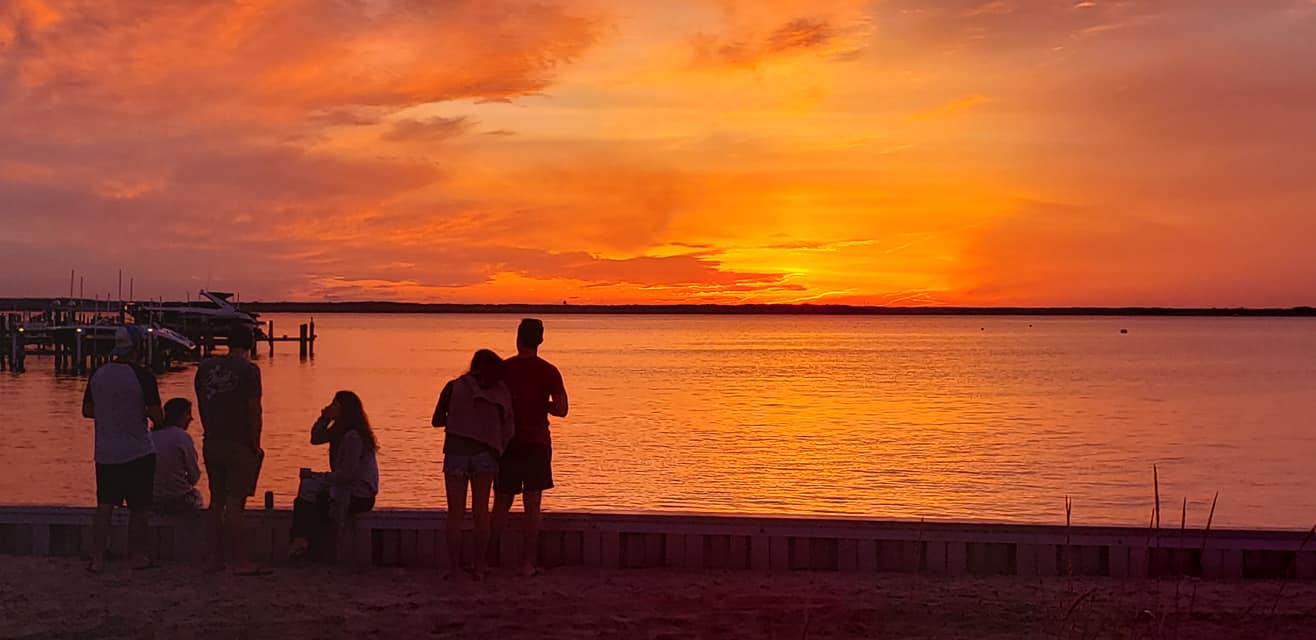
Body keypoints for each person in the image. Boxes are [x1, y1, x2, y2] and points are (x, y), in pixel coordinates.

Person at [488, 319, 568, 577]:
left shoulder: (503, 369)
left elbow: (490, 404)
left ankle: (490, 559)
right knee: (532, 505)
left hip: (508, 443)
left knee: (501, 502)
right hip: (537, 443)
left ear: (518, 338)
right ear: (540, 340)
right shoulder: (549, 371)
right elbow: (562, 409)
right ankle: (527, 563)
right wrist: (541, 404)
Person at [82, 325, 164, 573]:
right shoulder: (143, 376)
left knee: (105, 505)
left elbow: (87, 410)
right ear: (138, 347)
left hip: (105, 452)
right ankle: (136, 555)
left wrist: (110, 412)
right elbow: (157, 415)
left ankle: (98, 558)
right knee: (139, 508)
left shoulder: (98, 374)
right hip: (138, 451)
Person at [432, 349, 515, 579]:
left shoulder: (453, 387)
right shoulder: (500, 391)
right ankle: (479, 567)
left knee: (455, 513)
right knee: (481, 511)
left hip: (456, 453)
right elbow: (508, 427)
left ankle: (453, 569)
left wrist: (460, 421)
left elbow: (437, 420)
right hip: (485, 455)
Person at [194, 326, 265, 575]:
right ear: (251, 344)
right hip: (239, 442)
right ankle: (238, 560)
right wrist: (255, 443)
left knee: (216, 501)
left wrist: (209, 430)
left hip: (212, 440)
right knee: (236, 502)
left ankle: (213, 558)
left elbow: (202, 405)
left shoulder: (205, 368)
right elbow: (254, 409)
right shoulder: (249, 370)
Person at [288, 391, 379, 560]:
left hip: (360, 495)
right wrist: (324, 419)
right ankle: (302, 542)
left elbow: (347, 475)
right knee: (308, 490)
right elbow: (315, 438)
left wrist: (315, 476)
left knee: (317, 499)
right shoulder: (339, 431)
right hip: (345, 488)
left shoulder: (353, 437)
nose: (330, 407)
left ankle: (305, 544)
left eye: (335, 404)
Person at [149, 397, 203, 515]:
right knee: (197, 496)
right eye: (188, 413)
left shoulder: (149, 437)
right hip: (177, 497)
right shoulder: (182, 437)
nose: (191, 418)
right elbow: (194, 477)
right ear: (180, 415)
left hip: (152, 497)